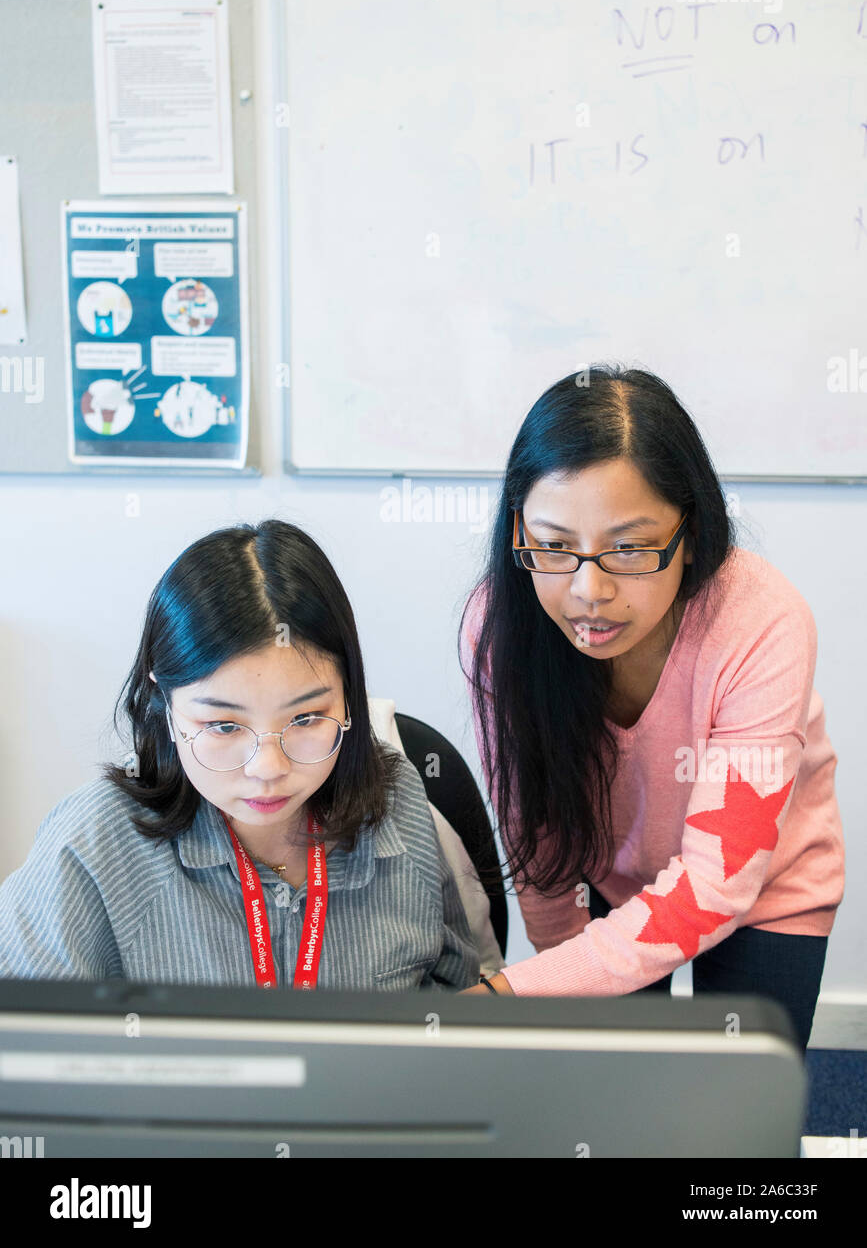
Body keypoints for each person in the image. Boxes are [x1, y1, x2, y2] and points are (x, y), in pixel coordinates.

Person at [457, 365, 845, 1053]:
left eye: (629, 548)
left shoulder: (761, 620)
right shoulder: (501, 621)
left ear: (690, 532)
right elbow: (536, 836)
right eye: (552, 546)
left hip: (761, 889)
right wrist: (561, 976)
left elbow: (714, 885)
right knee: (609, 1099)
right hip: (606, 876)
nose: (587, 592)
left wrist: (513, 992)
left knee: (739, 1115)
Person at [0, 520, 479, 991]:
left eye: (307, 718)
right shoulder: (92, 842)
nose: (268, 768)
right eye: (224, 726)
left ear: (349, 694)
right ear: (163, 701)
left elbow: (452, 1001)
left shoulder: (397, 800)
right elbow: (26, 1044)